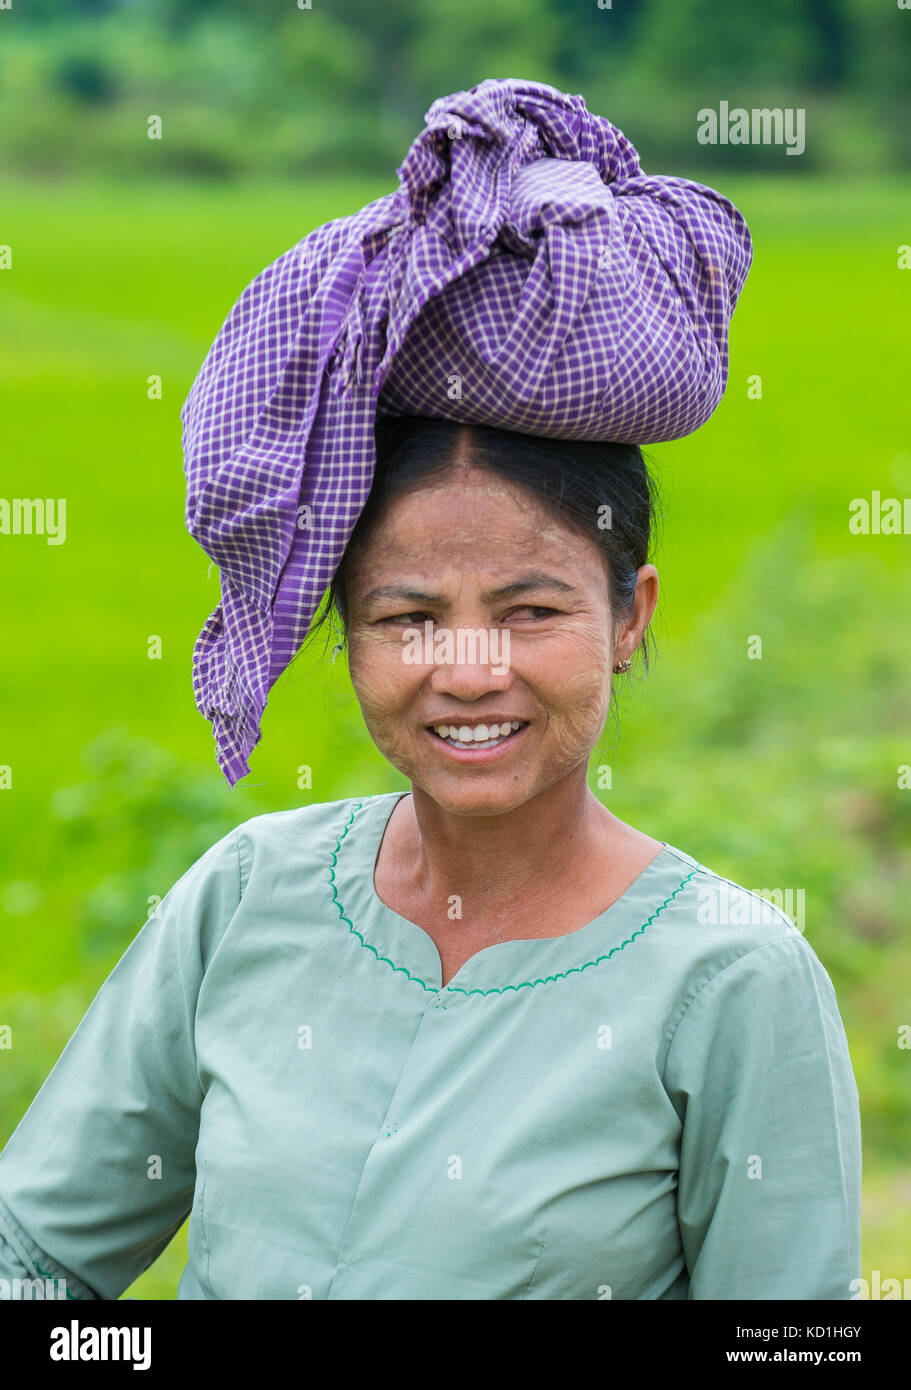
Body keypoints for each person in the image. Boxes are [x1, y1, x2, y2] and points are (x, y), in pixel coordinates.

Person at [0, 78, 861, 1299]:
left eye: (531, 610)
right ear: (343, 633)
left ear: (630, 616)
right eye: (408, 616)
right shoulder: (246, 899)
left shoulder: (727, 981)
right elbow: (33, 1258)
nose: (469, 670)